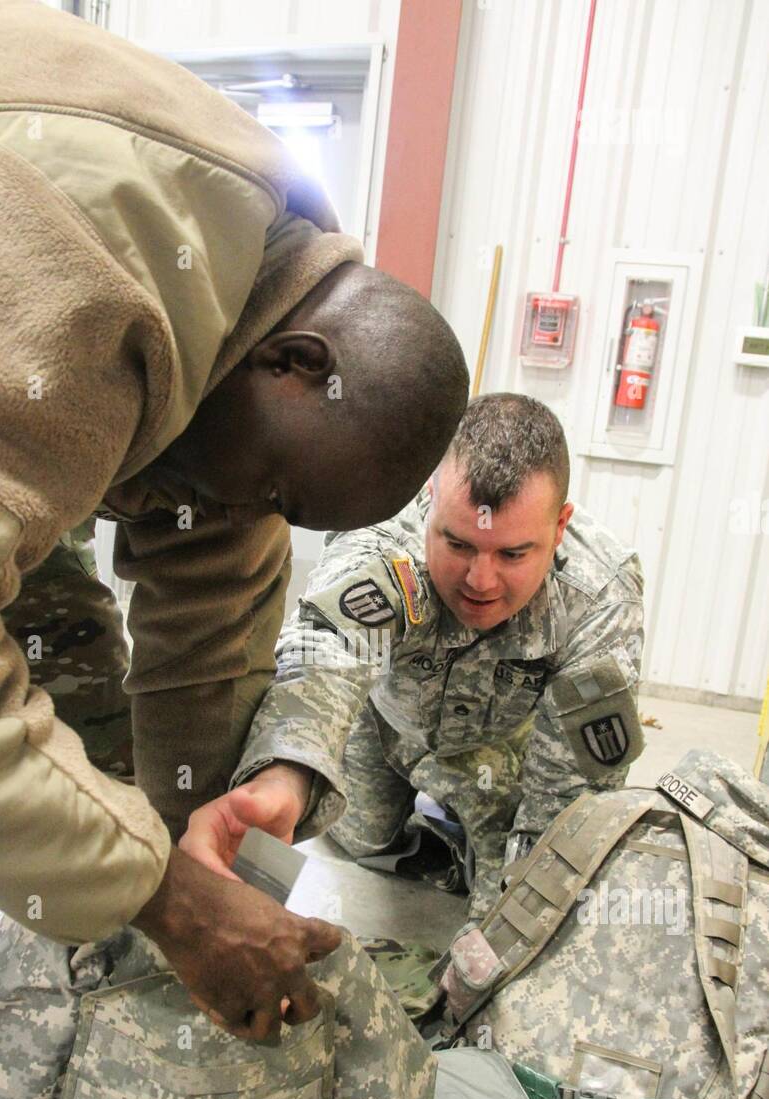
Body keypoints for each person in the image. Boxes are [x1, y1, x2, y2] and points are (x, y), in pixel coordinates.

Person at [0, 0, 469, 1045]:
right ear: (298, 367)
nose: (251, 516)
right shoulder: (81, 281)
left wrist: (204, 834)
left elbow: (210, 626)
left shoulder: (259, 307)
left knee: (70, 673)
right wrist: (166, 898)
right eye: (273, 493)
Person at [190, 394, 645, 993]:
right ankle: (423, 814)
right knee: (358, 838)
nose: (481, 581)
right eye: (458, 544)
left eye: (513, 553)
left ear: (559, 527)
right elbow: (327, 650)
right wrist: (285, 776)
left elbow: (568, 797)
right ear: (431, 496)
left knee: (505, 935)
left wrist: (512, 932)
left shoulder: (599, 597)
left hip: (497, 748)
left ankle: (461, 819)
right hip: (382, 725)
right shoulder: (382, 534)